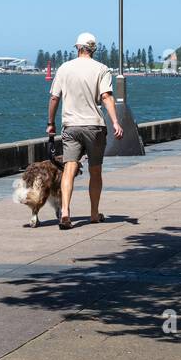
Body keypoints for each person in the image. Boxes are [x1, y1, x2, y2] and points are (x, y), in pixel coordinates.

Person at [46, 32, 123, 230]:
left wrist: (51, 123)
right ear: (93, 49)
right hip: (94, 126)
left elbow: (54, 98)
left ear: (78, 48)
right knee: (95, 171)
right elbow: (106, 96)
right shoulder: (102, 69)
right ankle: (94, 214)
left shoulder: (64, 68)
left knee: (69, 169)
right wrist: (115, 122)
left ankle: (65, 212)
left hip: (71, 126)